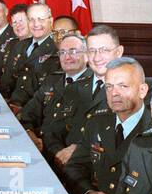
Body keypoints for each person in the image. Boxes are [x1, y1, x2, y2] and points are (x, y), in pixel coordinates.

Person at [60, 56, 152, 194]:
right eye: (109, 86)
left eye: (123, 86)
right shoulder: (98, 123)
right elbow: (75, 168)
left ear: (142, 90)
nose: (114, 93)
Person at [42, 24, 121, 160]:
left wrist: (79, 151)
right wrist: (58, 153)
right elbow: (52, 131)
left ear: (118, 52)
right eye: (92, 51)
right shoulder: (74, 88)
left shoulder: (129, 91)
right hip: (63, 165)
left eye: (104, 50)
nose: (97, 57)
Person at [16, 32, 93, 149]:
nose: (67, 57)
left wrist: (55, 151)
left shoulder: (93, 87)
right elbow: (28, 113)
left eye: (73, 52)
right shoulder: (52, 80)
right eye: (62, 52)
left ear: (87, 56)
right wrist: (29, 133)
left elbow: (81, 135)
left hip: (64, 154)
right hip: (37, 146)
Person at [7, 3, 58, 105]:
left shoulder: (57, 49)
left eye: (41, 19)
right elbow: (7, 81)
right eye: (31, 20)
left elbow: (48, 93)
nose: (36, 24)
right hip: (11, 104)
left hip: (35, 111)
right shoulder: (20, 46)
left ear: (51, 21)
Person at [0, 3, 31, 94]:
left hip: (18, 97)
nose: (18, 25)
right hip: (1, 92)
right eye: (14, 22)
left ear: (30, 21)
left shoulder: (35, 47)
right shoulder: (10, 44)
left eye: (21, 21)